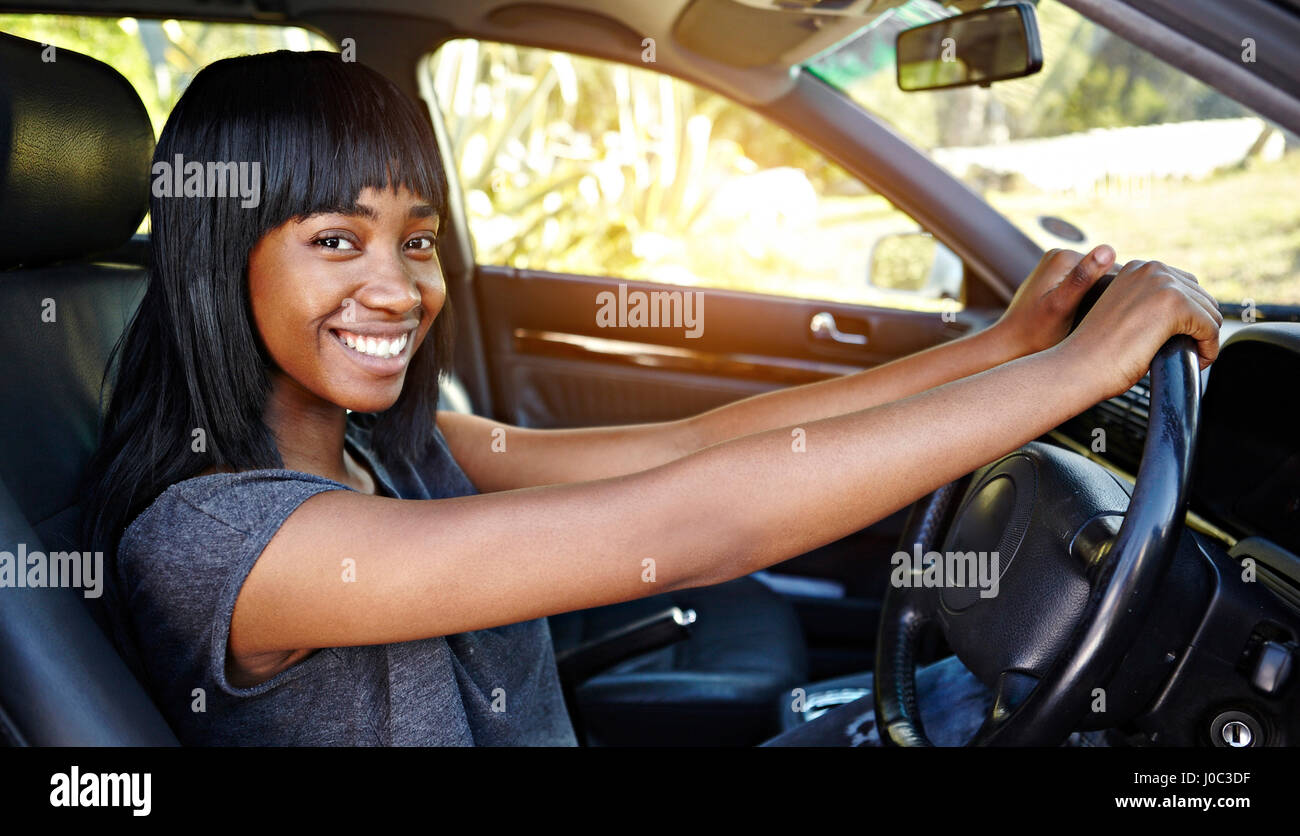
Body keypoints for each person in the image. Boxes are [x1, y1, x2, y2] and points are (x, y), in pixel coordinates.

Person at [78, 50, 1222, 746]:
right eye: (337, 238)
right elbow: (685, 529)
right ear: (218, 254)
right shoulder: (219, 542)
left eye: (417, 240)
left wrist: (1009, 346)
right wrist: (1073, 376)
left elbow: (693, 446)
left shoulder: (391, 441)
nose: (399, 285)